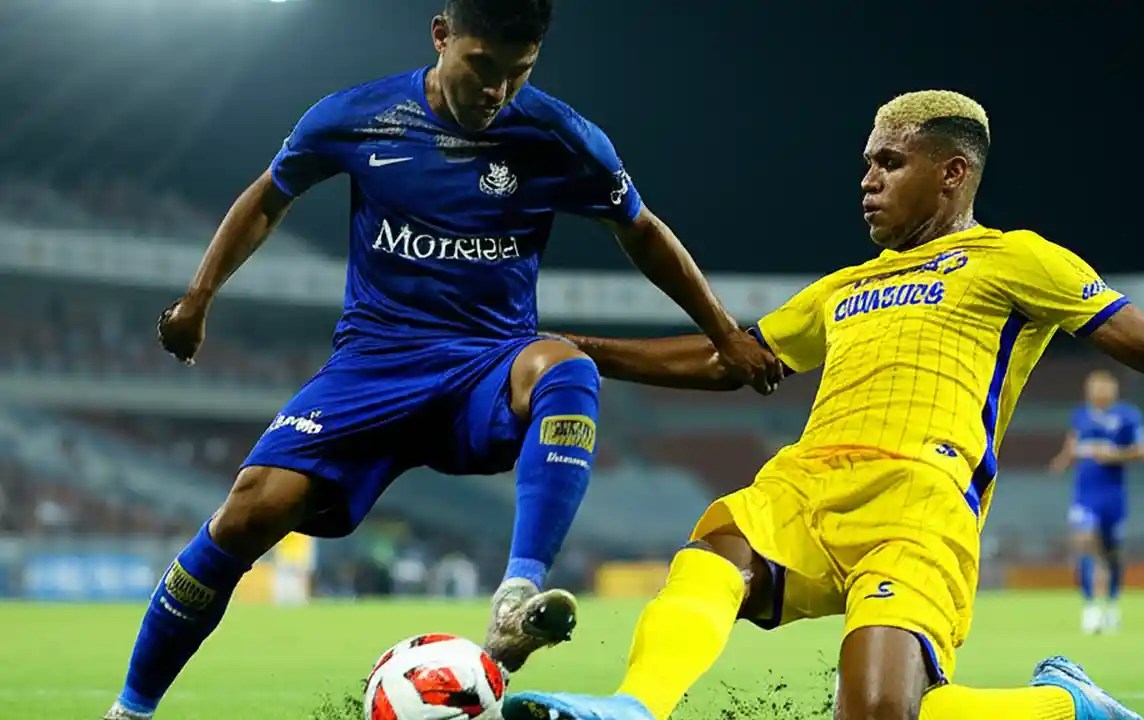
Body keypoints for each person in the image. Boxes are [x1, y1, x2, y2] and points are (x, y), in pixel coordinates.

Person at [503, 90, 1144, 720]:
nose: (867, 180)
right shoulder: (844, 286)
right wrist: (575, 346)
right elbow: (730, 357)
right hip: (807, 482)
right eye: (867, 163)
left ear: (951, 173)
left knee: (877, 712)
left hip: (921, 500)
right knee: (716, 554)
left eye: (889, 162)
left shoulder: (1015, 259)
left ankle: (1065, 706)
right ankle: (635, 707)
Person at [103, 1, 779, 718]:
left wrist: (723, 331)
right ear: (440, 35)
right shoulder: (358, 116)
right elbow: (270, 195)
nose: (496, 91)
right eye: (481, 67)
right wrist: (199, 297)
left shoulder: (559, 137)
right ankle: (131, 709)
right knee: (246, 514)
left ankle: (516, 596)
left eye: (517, 73)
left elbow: (640, 231)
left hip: (485, 369)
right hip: (373, 366)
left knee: (567, 366)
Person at [1049, 369, 1144, 634]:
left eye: (1103, 388)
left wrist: (1114, 455)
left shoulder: (1128, 416)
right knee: (1084, 543)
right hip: (1085, 495)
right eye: (1093, 388)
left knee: (1112, 552)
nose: (1098, 393)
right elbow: (1072, 444)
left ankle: (1112, 605)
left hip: (1113, 496)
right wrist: (1063, 460)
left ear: (1113, 391)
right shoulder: (1080, 415)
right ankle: (1090, 608)